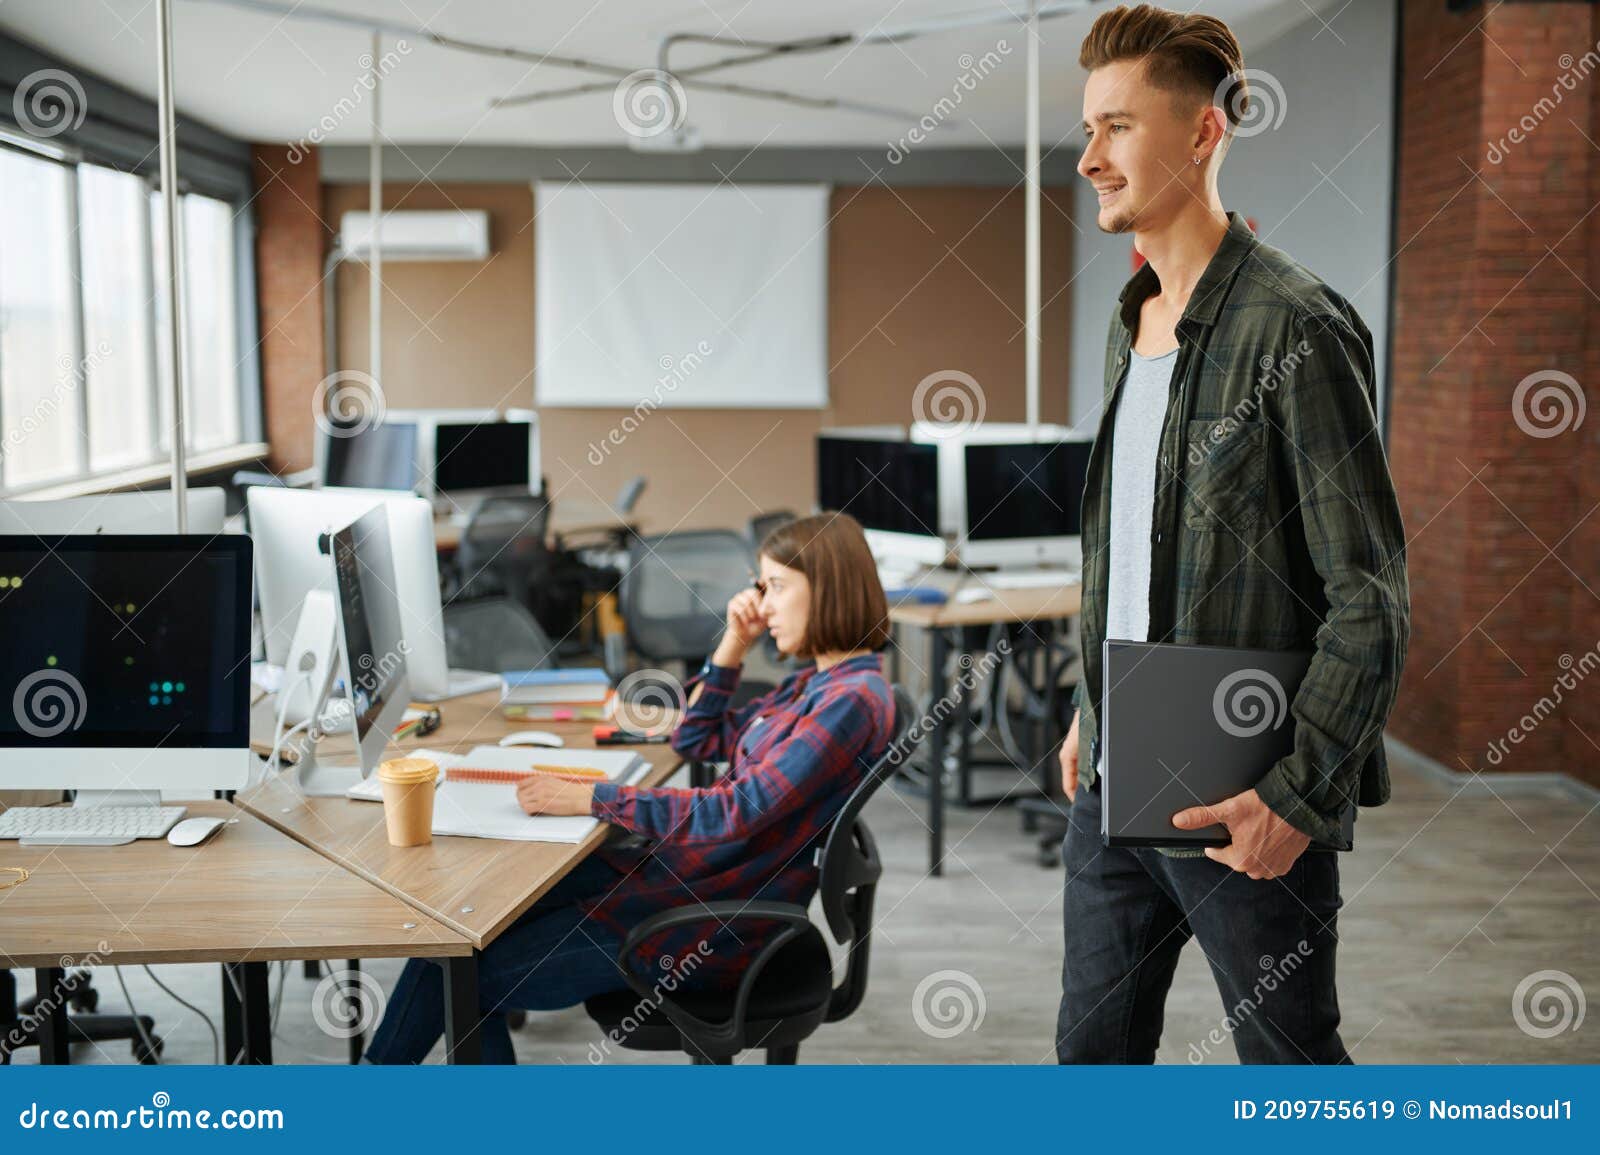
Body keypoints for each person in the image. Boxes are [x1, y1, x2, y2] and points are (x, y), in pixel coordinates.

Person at [1056, 4, 1409, 1064]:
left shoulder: (1295, 325)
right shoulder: (1131, 323)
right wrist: (1088, 709)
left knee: (1291, 1075)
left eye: (1118, 127)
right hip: (1113, 774)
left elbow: (1370, 598)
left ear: (1203, 132)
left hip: (1238, 787)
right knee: (1090, 1062)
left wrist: (1295, 797)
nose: (1089, 158)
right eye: (1088, 129)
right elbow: (1128, 551)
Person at [364, 511, 896, 1063]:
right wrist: (733, 645)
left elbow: (733, 812)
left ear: (829, 588)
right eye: (760, 587)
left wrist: (593, 798)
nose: (761, 605)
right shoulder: (817, 685)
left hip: (707, 924)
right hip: (682, 878)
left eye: (776, 587)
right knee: (457, 930)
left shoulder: (850, 702)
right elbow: (694, 738)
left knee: (459, 976)